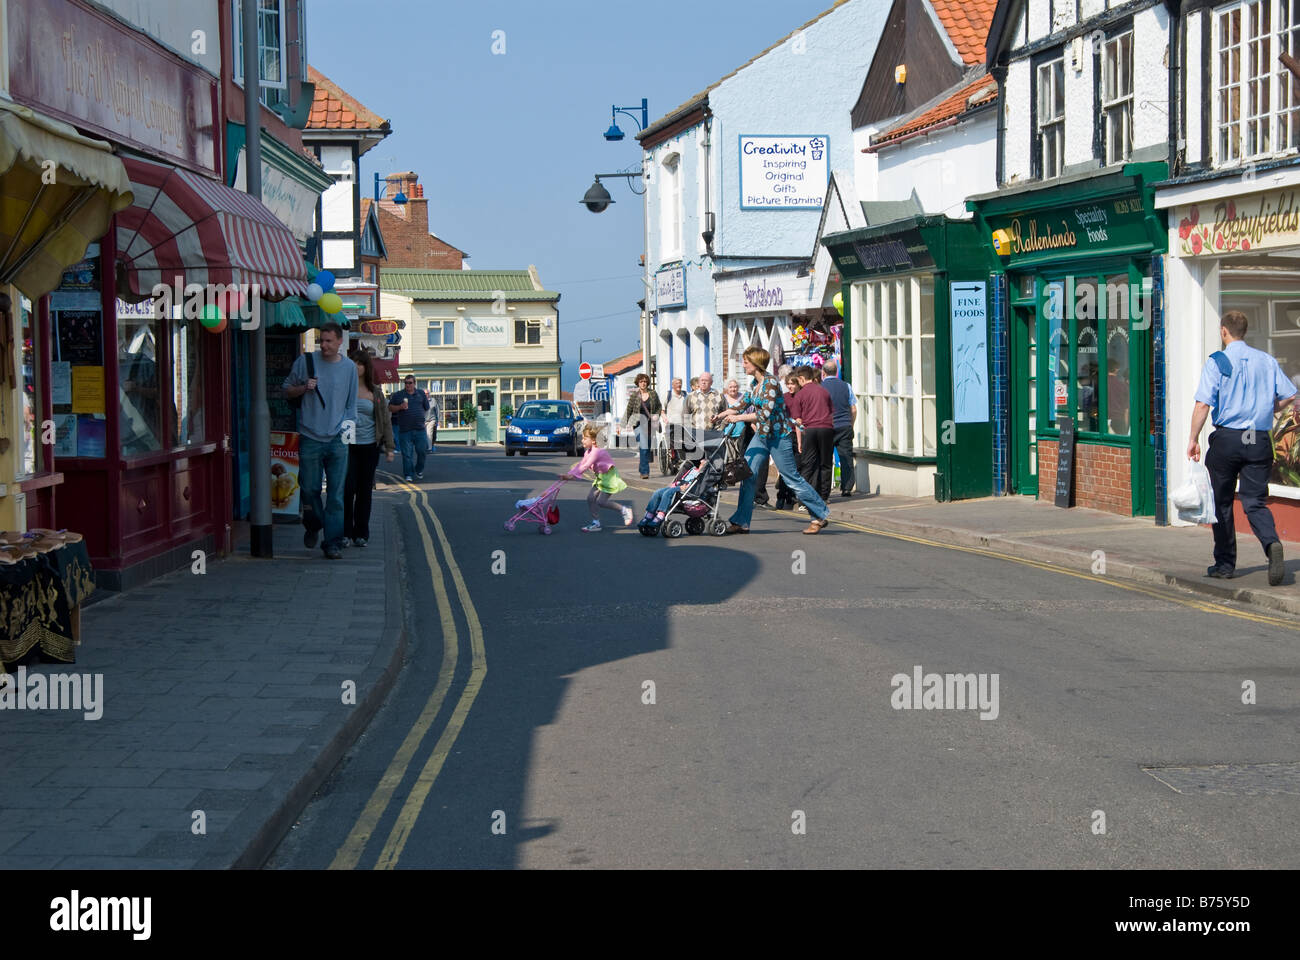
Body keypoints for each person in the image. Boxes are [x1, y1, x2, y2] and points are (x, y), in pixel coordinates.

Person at [1188, 310, 1299, 585]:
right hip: (1258, 439)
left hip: (1228, 440)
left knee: (1222, 502)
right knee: (1254, 502)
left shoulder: (1218, 361)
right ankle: (1271, 542)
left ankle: (1225, 565)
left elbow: (1203, 404)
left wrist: (1193, 438)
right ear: (1245, 331)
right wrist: (1270, 408)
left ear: (1224, 331)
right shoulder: (1266, 360)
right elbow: (1289, 394)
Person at [713, 346, 831, 535]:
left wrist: (738, 419)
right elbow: (744, 404)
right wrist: (724, 414)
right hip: (762, 436)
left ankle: (819, 514)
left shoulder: (771, 384)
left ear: (755, 363)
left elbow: (764, 414)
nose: (743, 365)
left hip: (778, 437)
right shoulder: (755, 384)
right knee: (747, 475)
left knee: (791, 478)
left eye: (745, 362)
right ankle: (741, 522)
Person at [283, 322, 357, 560]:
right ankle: (314, 523)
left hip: (337, 438)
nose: (323, 345)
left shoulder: (349, 368)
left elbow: (351, 404)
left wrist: (347, 433)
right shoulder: (306, 362)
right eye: (321, 340)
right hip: (310, 435)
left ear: (339, 342)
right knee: (309, 489)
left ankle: (332, 543)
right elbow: (286, 389)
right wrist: (304, 387)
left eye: (328, 341)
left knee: (336, 494)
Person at [343, 351, 396, 548]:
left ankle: (361, 533)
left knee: (364, 491)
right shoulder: (344, 389)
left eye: (360, 363)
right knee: (347, 489)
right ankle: (345, 532)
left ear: (366, 367)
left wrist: (389, 447)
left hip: (369, 447)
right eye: (353, 363)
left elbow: (385, 422)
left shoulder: (375, 393)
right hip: (347, 446)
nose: (357, 367)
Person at [562, 424, 634, 531]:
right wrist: (569, 474)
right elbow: (580, 464)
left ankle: (624, 510)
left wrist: (572, 476)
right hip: (600, 477)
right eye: (582, 438)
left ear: (594, 441)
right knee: (590, 498)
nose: (582, 441)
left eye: (585, 438)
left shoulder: (596, 453)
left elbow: (586, 466)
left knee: (601, 502)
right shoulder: (588, 452)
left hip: (609, 478)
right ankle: (596, 523)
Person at [791, 365, 835, 503]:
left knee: (808, 463)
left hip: (809, 429)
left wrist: (800, 440)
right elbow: (831, 412)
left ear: (802, 378)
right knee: (826, 463)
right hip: (826, 429)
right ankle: (824, 496)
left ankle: (804, 496)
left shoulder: (800, 394)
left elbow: (797, 420)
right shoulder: (824, 391)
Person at [821, 359, 858, 496]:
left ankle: (825, 489)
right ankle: (847, 487)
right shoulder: (846, 386)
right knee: (846, 457)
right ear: (836, 372)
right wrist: (851, 424)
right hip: (844, 425)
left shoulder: (820, 387)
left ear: (823, 372)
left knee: (825, 459)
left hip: (827, 427)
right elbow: (853, 409)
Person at [638, 459, 704, 534]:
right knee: (657, 492)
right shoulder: (692, 469)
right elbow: (682, 478)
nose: (702, 462)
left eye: (704, 462)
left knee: (667, 493)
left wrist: (681, 487)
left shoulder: (700, 475)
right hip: (677, 485)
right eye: (701, 462)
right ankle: (649, 514)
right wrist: (674, 484)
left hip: (686, 490)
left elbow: (693, 485)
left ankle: (661, 515)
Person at [389, 375, 430, 481]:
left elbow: (426, 408)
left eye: (410, 383)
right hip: (404, 430)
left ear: (414, 383)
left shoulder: (421, 393)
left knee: (422, 451)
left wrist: (423, 419)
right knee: (407, 454)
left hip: (420, 429)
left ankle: (419, 469)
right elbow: (390, 408)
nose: (408, 385)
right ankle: (408, 474)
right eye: (406, 383)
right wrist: (400, 407)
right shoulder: (398, 395)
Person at [623, 373, 662, 478]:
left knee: (647, 448)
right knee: (644, 446)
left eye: (645, 381)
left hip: (650, 425)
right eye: (641, 381)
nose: (643, 383)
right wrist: (622, 424)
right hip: (638, 425)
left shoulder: (653, 394)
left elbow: (659, 406)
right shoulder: (634, 396)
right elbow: (629, 410)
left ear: (647, 383)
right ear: (638, 383)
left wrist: (656, 415)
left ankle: (641, 468)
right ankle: (645, 472)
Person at [683, 371, 726, 457]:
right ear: (698, 382)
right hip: (696, 434)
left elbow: (725, 413)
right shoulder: (691, 396)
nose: (703, 382)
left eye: (706, 380)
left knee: (714, 460)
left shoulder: (719, 395)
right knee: (697, 460)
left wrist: (721, 429)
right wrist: (688, 432)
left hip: (714, 434)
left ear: (711, 383)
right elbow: (685, 415)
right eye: (701, 380)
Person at [662, 377, 688, 465]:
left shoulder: (685, 395)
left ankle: (682, 459)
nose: (679, 385)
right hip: (671, 423)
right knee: (672, 442)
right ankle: (674, 459)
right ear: (672, 385)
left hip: (683, 424)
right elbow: (661, 409)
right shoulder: (668, 395)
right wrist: (664, 417)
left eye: (680, 383)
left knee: (685, 442)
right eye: (677, 383)